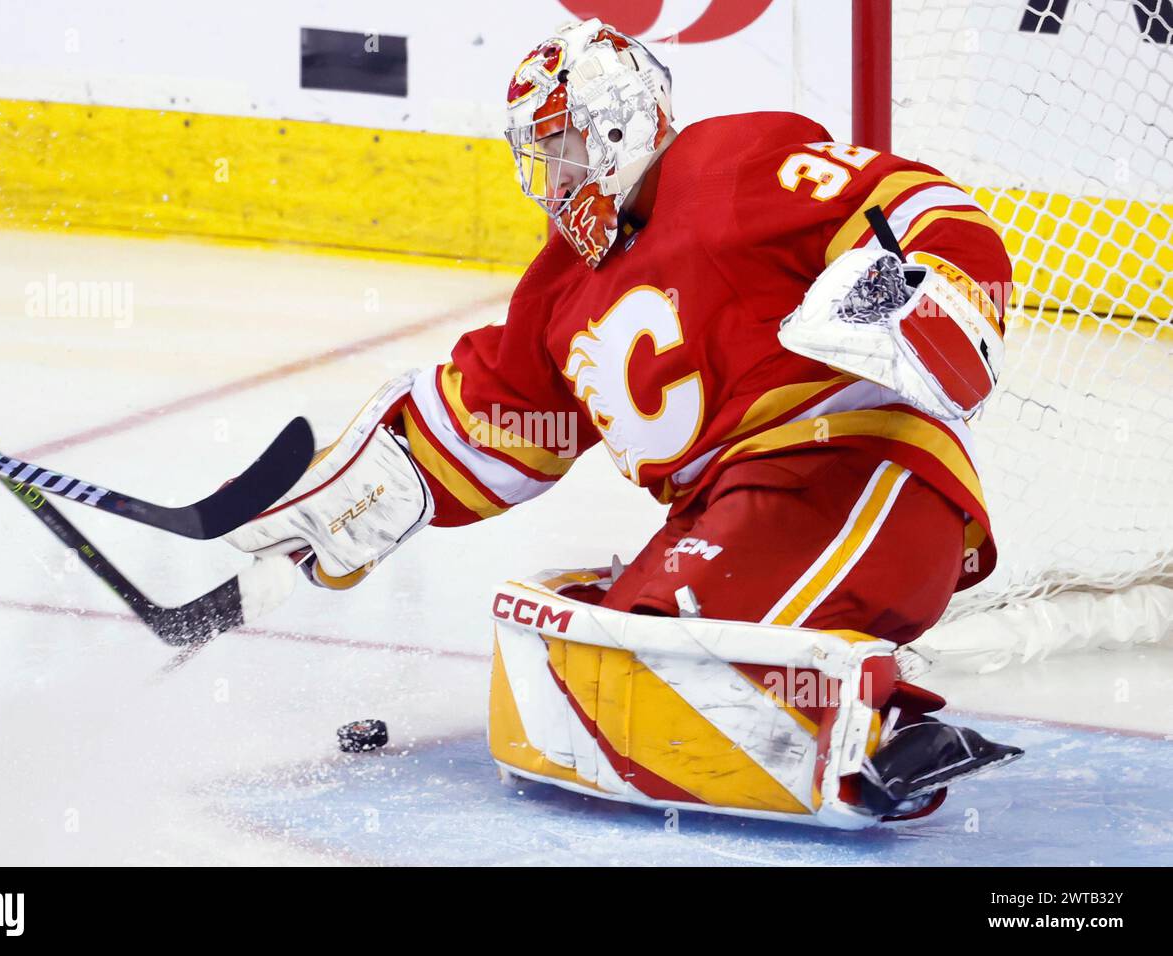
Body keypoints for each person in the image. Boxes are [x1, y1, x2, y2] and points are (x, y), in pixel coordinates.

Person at [227, 19, 1022, 822]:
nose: (553, 175)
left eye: (563, 144)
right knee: (599, 670)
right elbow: (499, 425)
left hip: (861, 475)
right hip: (730, 515)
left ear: (619, 120)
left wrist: (931, 291)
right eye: (538, 155)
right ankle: (844, 711)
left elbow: (915, 201)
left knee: (656, 690)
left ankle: (871, 737)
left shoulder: (731, 163)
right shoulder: (563, 289)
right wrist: (350, 497)